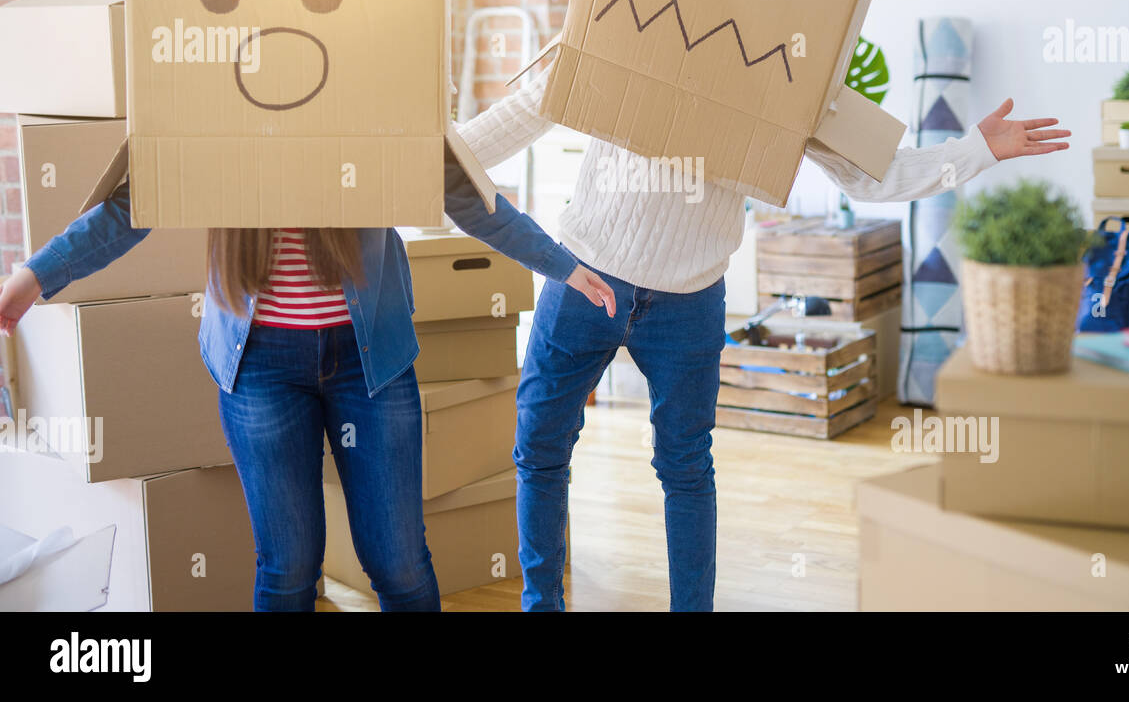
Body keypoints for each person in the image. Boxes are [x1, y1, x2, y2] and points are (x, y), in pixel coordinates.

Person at [461, 74, 1070, 612]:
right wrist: (407, 144)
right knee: (540, 450)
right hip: (583, 276)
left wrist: (974, 150)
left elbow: (869, 174)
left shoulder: (785, 62)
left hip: (689, 297)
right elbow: (491, 134)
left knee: (685, 468)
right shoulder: (627, 16)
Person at [0, 146, 616, 612]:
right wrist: (32, 279)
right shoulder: (212, 92)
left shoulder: (362, 68)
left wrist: (562, 265)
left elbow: (459, 192)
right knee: (289, 568)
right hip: (259, 365)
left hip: (366, 359)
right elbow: (130, 209)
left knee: (398, 562)